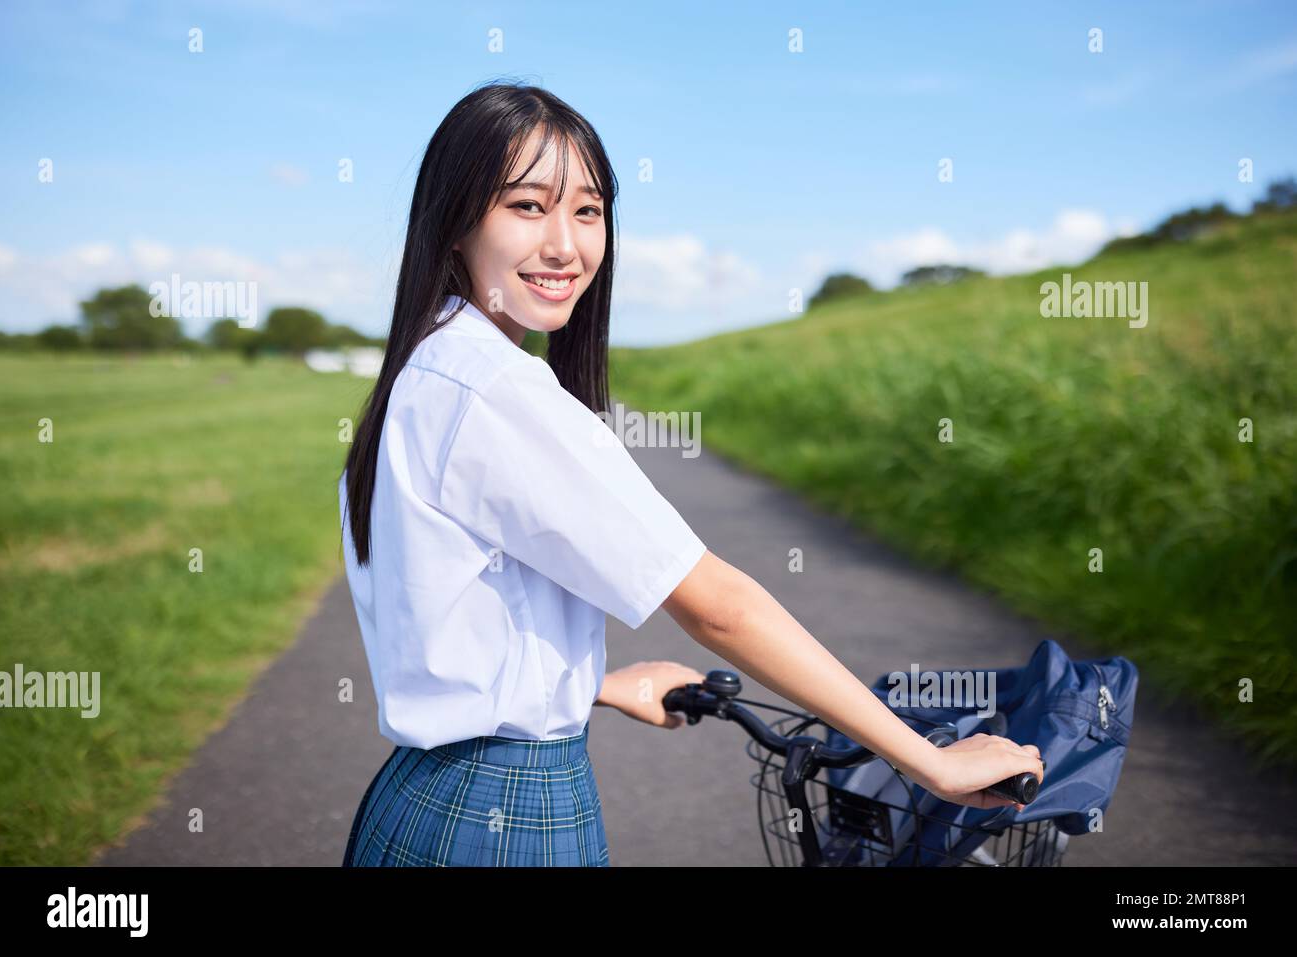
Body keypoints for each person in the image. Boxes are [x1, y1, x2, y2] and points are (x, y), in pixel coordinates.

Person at [337, 81, 1044, 867]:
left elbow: (438, 607)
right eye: (528, 207)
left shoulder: (425, 367)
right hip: (510, 815)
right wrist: (932, 761)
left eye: (588, 210)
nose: (566, 245)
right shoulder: (502, 393)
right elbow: (718, 607)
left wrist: (596, 685)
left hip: (416, 803)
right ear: (457, 221)